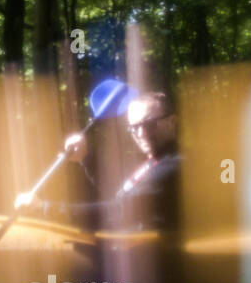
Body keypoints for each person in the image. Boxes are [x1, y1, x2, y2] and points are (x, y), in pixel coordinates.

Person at [15, 91, 182, 236]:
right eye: (134, 127)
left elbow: (119, 210)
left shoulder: (176, 165)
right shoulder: (154, 162)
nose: (141, 133)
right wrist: (84, 157)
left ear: (172, 122)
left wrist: (46, 209)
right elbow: (119, 191)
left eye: (149, 124)